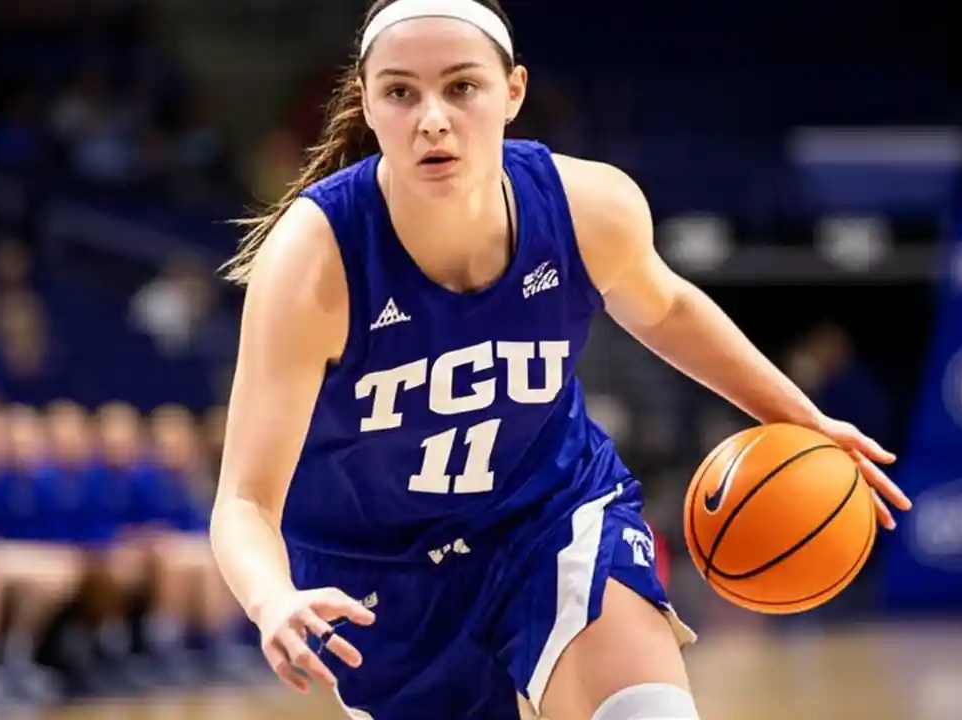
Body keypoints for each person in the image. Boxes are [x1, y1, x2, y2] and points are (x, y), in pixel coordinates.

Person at [209, 2, 913, 719]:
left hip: (549, 516)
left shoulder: (586, 206)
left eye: (461, 87)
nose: (432, 119)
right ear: (366, 100)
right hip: (381, 577)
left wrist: (801, 416)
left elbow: (665, 307)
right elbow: (243, 503)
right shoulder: (313, 260)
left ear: (512, 91)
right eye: (400, 92)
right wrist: (272, 601)